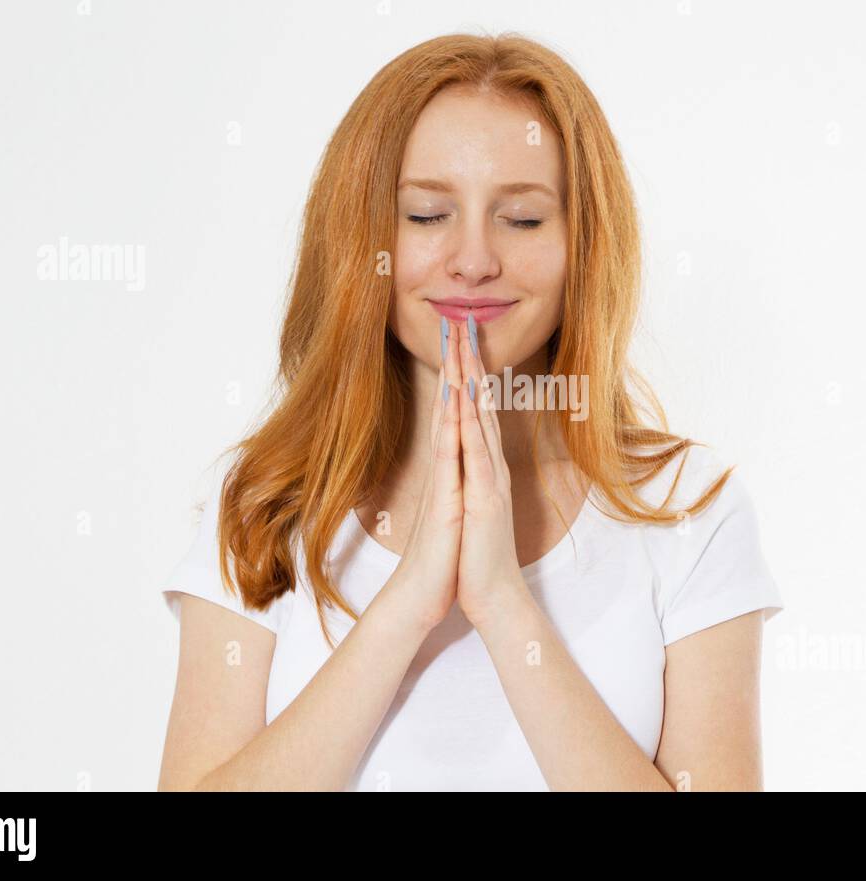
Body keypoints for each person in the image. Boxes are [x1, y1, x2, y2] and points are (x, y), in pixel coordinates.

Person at [155, 32, 784, 792]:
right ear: (363, 241)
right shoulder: (266, 499)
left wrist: (504, 605)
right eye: (425, 215)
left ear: (582, 246)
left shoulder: (688, 509)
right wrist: (409, 602)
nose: (474, 259)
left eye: (522, 219)